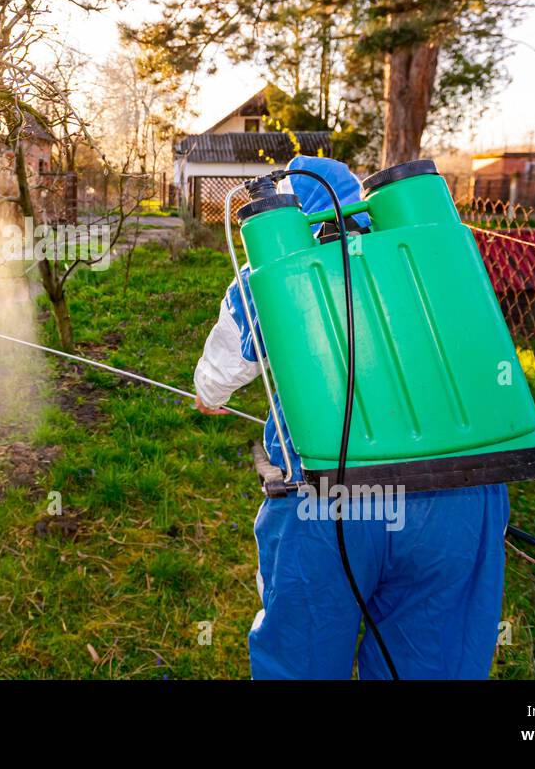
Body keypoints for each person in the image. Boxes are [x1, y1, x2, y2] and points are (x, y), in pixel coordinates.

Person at [192, 155, 509, 680]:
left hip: (326, 501)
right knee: (432, 663)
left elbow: (215, 379)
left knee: (304, 657)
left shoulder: (268, 273)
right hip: (461, 495)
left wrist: (208, 394)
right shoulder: (432, 252)